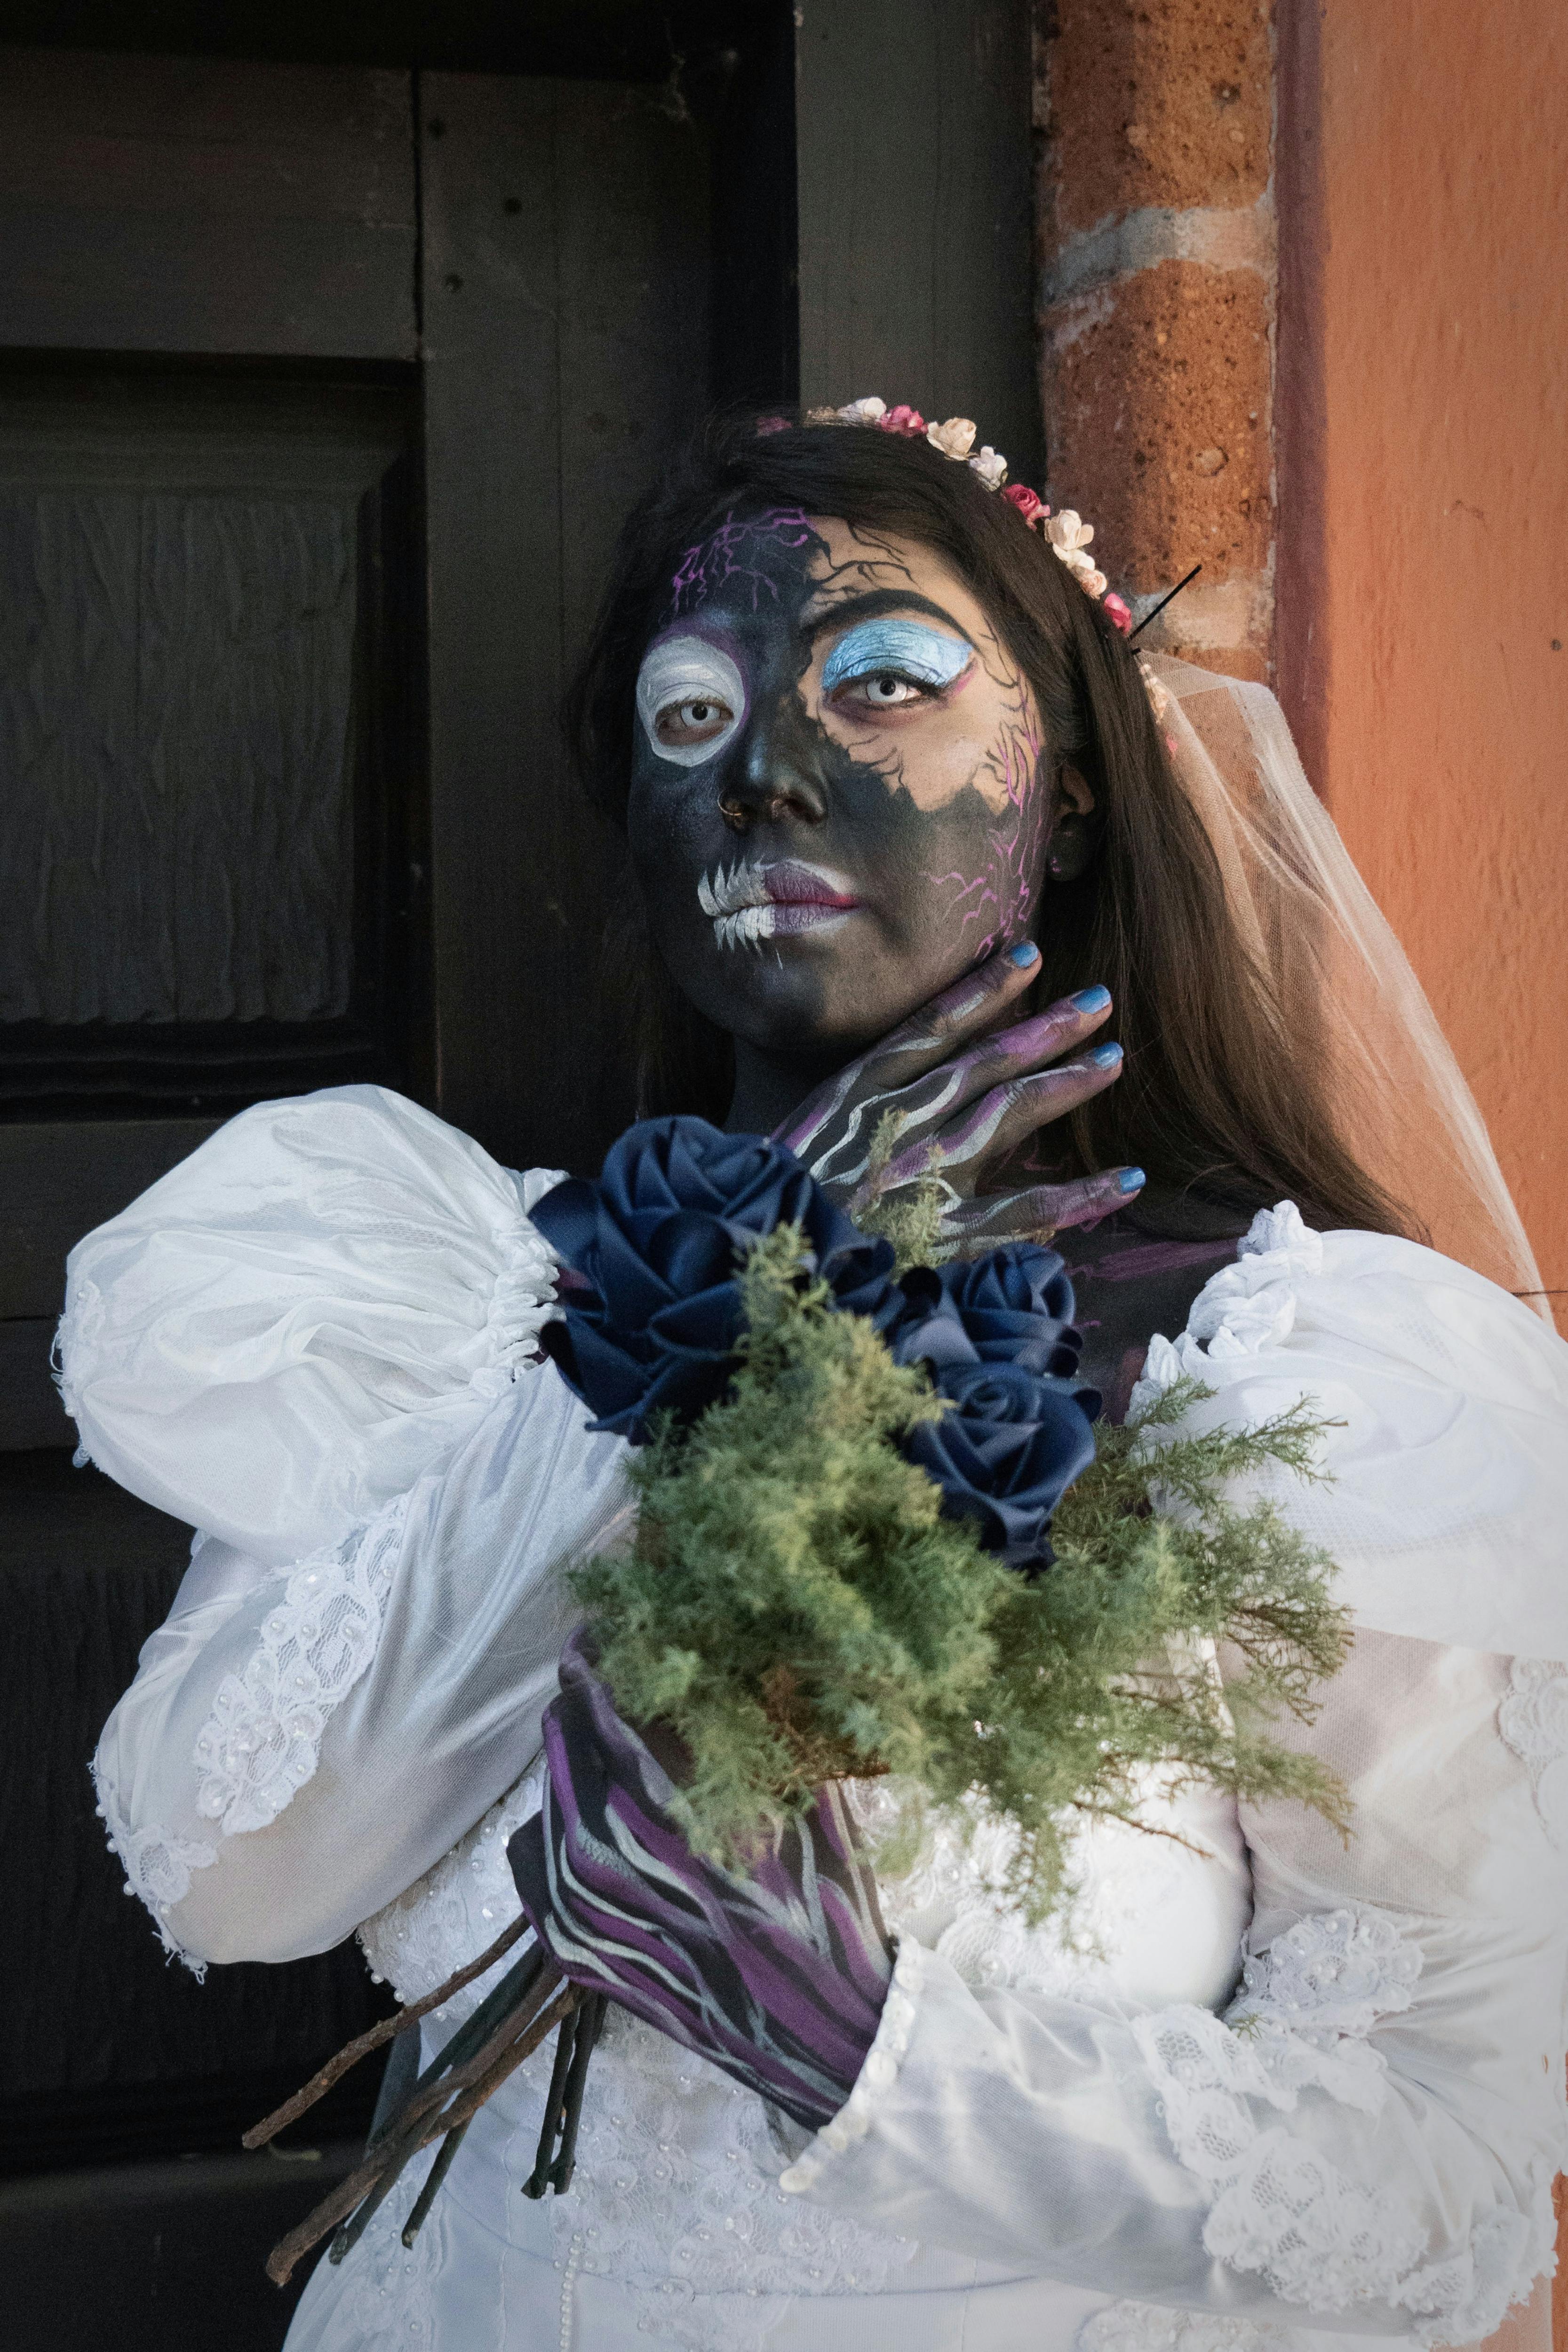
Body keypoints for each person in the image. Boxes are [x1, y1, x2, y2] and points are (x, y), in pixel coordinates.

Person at [60, 404, 1568, 2352]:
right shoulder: (457, 1297)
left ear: (1080, 781)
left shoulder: (1298, 1374)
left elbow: (1447, 2175)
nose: (768, 766)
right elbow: (235, 1867)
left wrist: (867, 2046)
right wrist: (754, 1281)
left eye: (881, 682)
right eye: (691, 721)